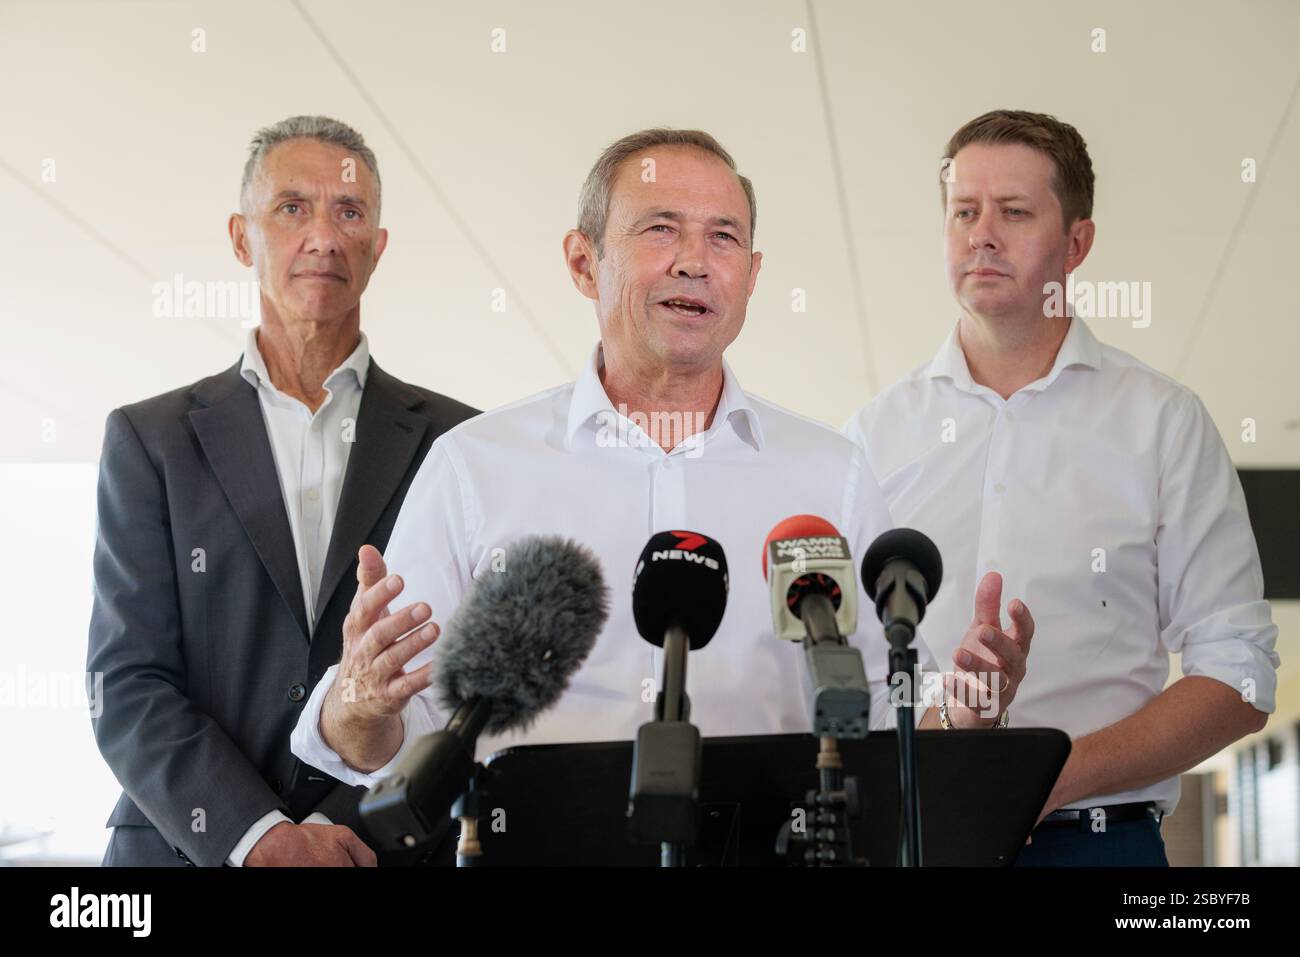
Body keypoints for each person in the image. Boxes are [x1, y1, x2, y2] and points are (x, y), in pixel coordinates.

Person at [291, 128, 1034, 791]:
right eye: (660, 229)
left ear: (751, 275)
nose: (695, 262)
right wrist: (358, 706)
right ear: (584, 264)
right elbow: (394, 737)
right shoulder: (475, 467)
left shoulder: (829, 475)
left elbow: (880, 707)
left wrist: (965, 705)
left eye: (723, 238)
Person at [847, 109, 1279, 866]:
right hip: (911, 836)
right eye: (963, 212)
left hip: (1098, 844)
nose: (982, 233)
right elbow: (838, 671)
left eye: (1014, 212)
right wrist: (954, 723)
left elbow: (1239, 673)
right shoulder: (873, 433)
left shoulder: (1162, 421)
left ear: (1076, 243)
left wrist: (1046, 777)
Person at [87, 115, 478, 866]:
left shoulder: (456, 445)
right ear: (242, 238)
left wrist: (341, 834)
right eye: (292, 208)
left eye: (351, 211)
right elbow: (127, 681)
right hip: (187, 848)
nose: (324, 236)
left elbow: (464, 679)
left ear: (378, 246)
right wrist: (258, 834)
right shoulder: (151, 441)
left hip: (381, 847)